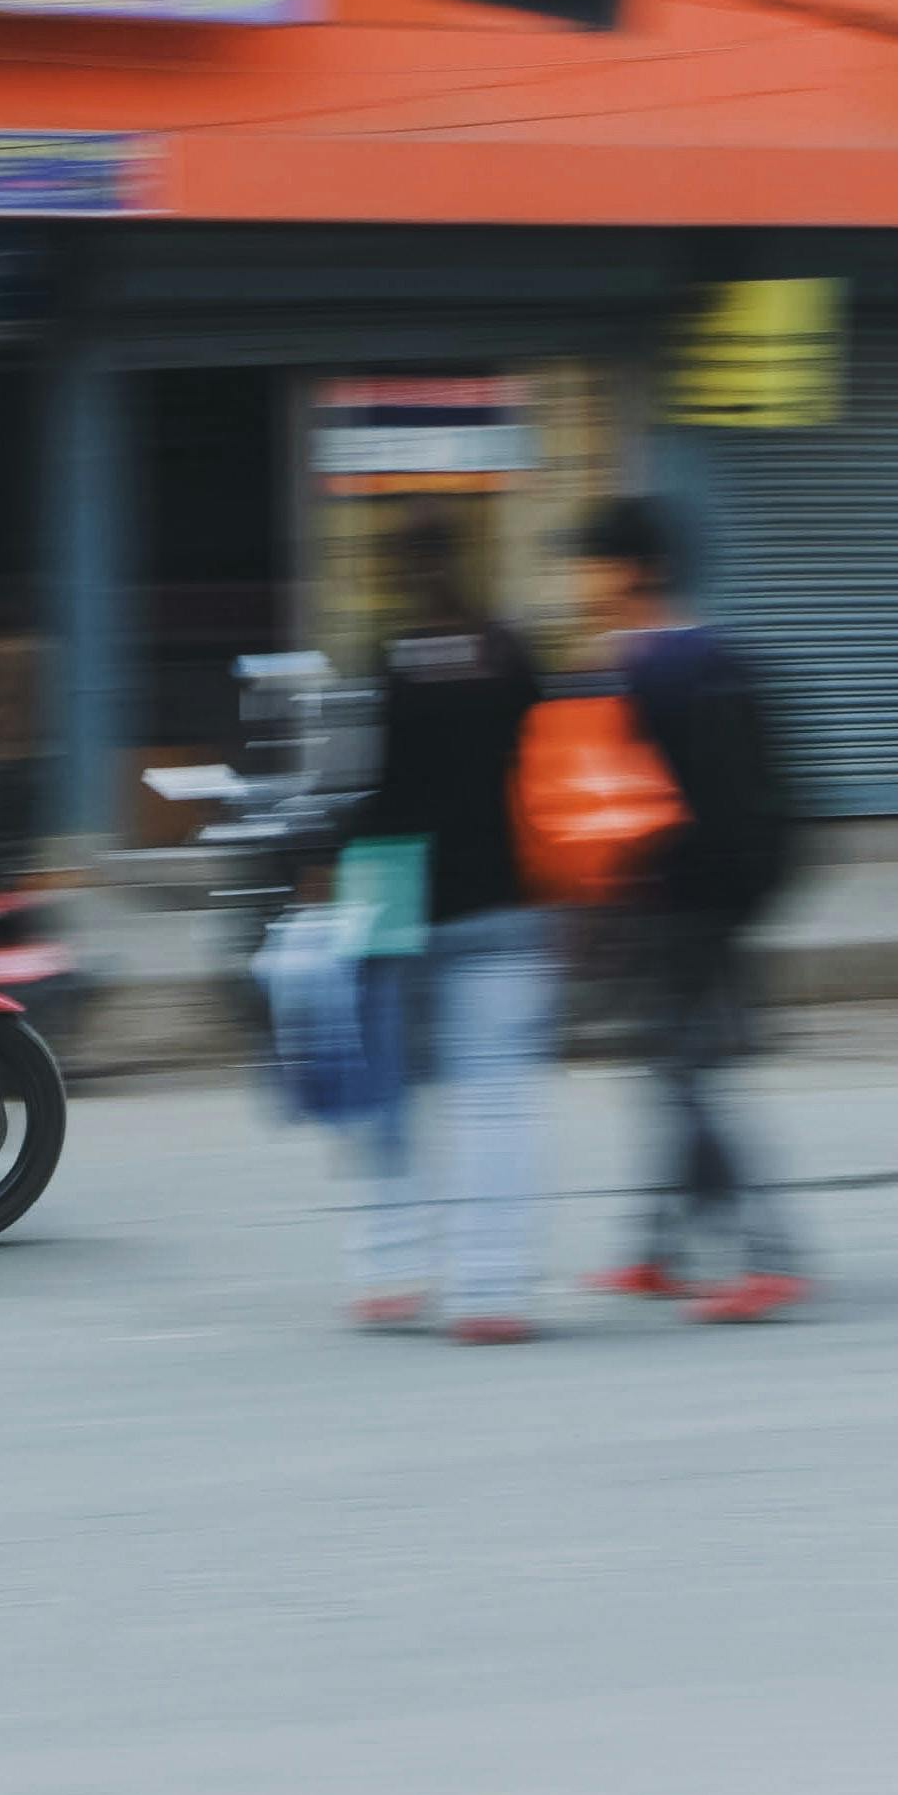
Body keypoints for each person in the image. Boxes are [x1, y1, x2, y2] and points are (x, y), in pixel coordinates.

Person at [575, 495, 806, 1321]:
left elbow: (644, 802)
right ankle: (658, 1250)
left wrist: (617, 899)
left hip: (678, 900)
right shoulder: (720, 655)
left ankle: (771, 1256)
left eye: (592, 563)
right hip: (724, 896)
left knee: (685, 1077)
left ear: (633, 571)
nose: (580, 580)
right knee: (675, 1072)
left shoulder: (651, 667)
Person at [344, 507, 554, 1343]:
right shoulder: (510, 652)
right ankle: (490, 1291)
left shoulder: (393, 661)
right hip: (505, 896)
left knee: (390, 1094)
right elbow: (545, 775)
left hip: (400, 896)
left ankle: (390, 1273)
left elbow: (380, 792)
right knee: (495, 1104)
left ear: (399, 571)